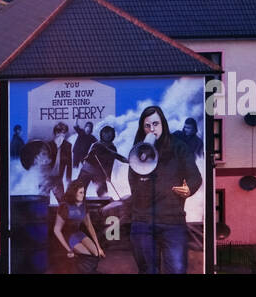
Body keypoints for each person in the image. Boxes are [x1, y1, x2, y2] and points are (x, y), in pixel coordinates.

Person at [127, 106, 198, 274]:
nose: (152, 129)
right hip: (142, 222)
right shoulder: (137, 151)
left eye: (156, 124)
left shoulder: (179, 147)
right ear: (142, 128)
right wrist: (143, 155)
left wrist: (189, 189)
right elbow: (134, 184)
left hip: (172, 221)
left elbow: (195, 176)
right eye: (147, 126)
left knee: (177, 269)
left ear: (163, 124)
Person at [52, 182, 105, 272]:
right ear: (73, 193)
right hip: (67, 236)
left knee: (96, 254)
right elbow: (56, 229)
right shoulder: (64, 207)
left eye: (84, 192)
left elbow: (89, 226)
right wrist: (68, 250)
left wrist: (98, 247)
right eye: (81, 192)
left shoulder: (83, 205)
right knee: (87, 256)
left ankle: (88, 270)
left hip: (78, 233)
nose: (83, 195)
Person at [79, 126, 128, 197]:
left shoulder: (113, 148)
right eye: (106, 133)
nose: (108, 135)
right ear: (102, 134)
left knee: (103, 192)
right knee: (80, 189)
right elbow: (94, 154)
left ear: (113, 135)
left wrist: (108, 176)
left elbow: (110, 164)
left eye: (109, 134)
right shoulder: (97, 144)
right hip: (87, 170)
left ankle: (103, 205)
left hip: (99, 173)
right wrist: (120, 157)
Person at [49, 122, 73, 200]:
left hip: (58, 179)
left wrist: (68, 179)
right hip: (46, 178)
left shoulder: (67, 146)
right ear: (55, 133)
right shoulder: (49, 145)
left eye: (64, 133)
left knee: (62, 202)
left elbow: (69, 163)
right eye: (59, 133)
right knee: (43, 202)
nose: (62, 135)